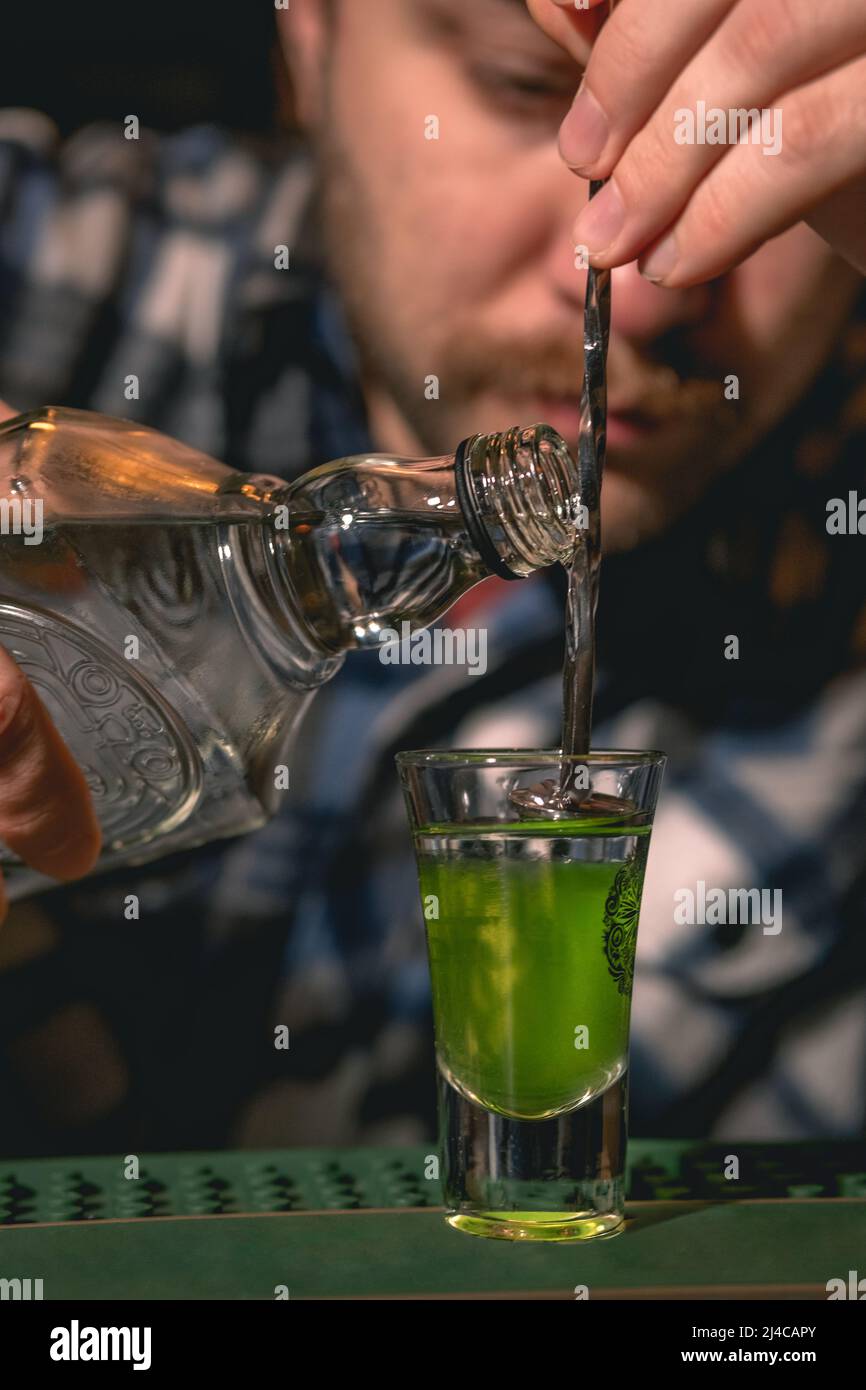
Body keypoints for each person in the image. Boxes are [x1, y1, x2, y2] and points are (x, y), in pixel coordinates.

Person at [0, 0, 864, 1155]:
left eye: (759, 137)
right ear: (307, 36)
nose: (642, 293)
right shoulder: (54, 262)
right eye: (523, 89)